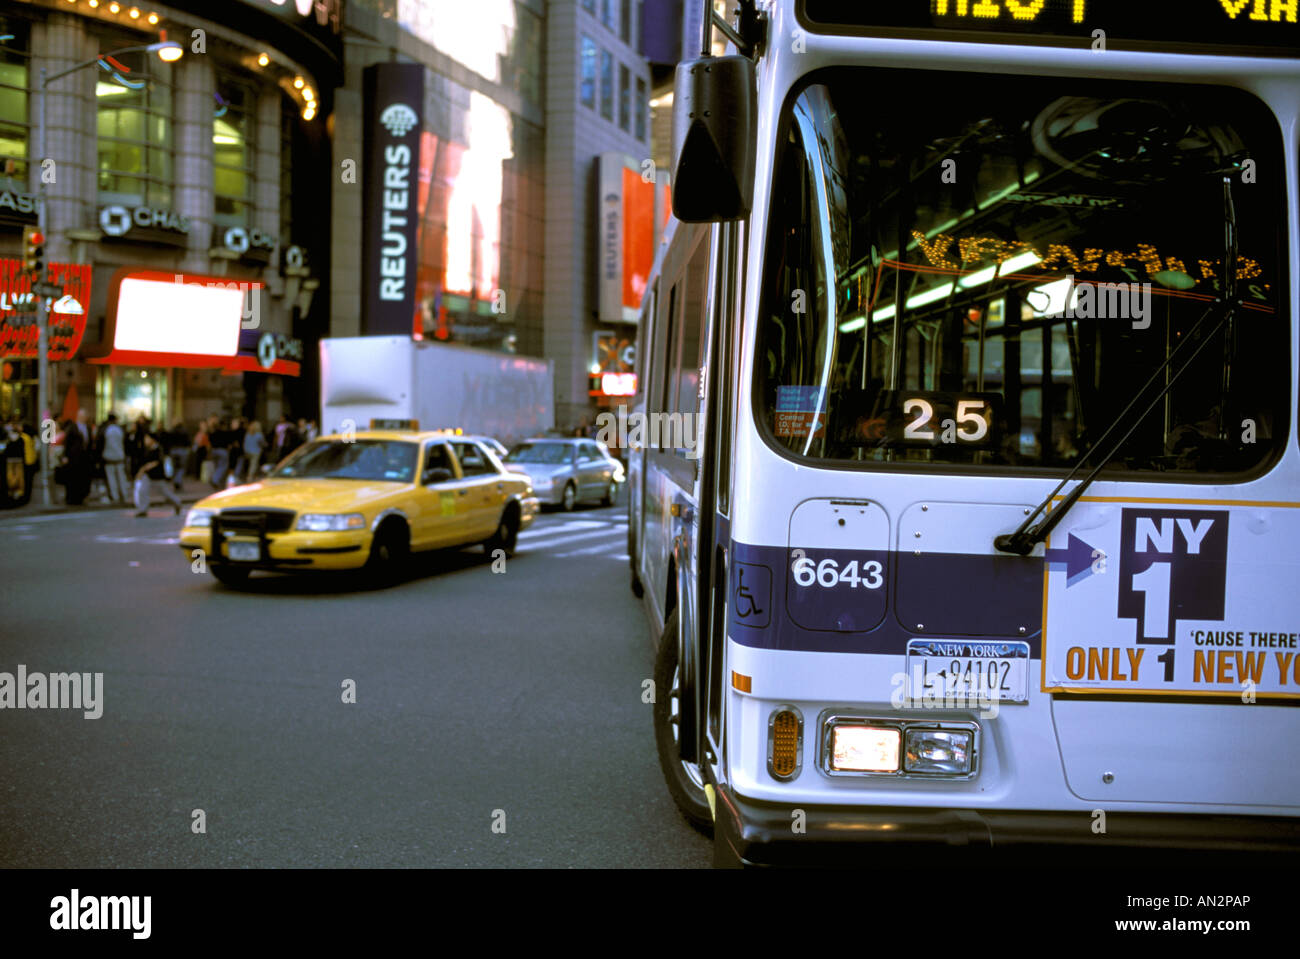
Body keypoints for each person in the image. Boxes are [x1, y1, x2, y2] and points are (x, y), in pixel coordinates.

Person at [133, 431, 182, 517]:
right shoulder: (146, 449)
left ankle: (177, 503)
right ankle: (143, 509)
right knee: (142, 490)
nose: (145, 440)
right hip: (148, 475)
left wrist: (143, 469)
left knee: (165, 493)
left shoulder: (158, 449)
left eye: (147, 438)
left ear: (152, 439)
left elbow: (157, 462)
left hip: (157, 475)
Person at [60, 414, 91, 505]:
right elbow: (67, 442)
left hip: (84, 458)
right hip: (73, 457)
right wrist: (65, 456)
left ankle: (80, 497)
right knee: (72, 478)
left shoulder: (87, 428)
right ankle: (71, 498)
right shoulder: (72, 428)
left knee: (82, 478)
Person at [99, 412, 127, 504]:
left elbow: (101, 443)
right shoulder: (120, 430)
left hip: (108, 457)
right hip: (120, 457)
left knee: (112, 479)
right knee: (121, 478)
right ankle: (124, 494)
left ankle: (115, 496)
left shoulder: (105, 430)